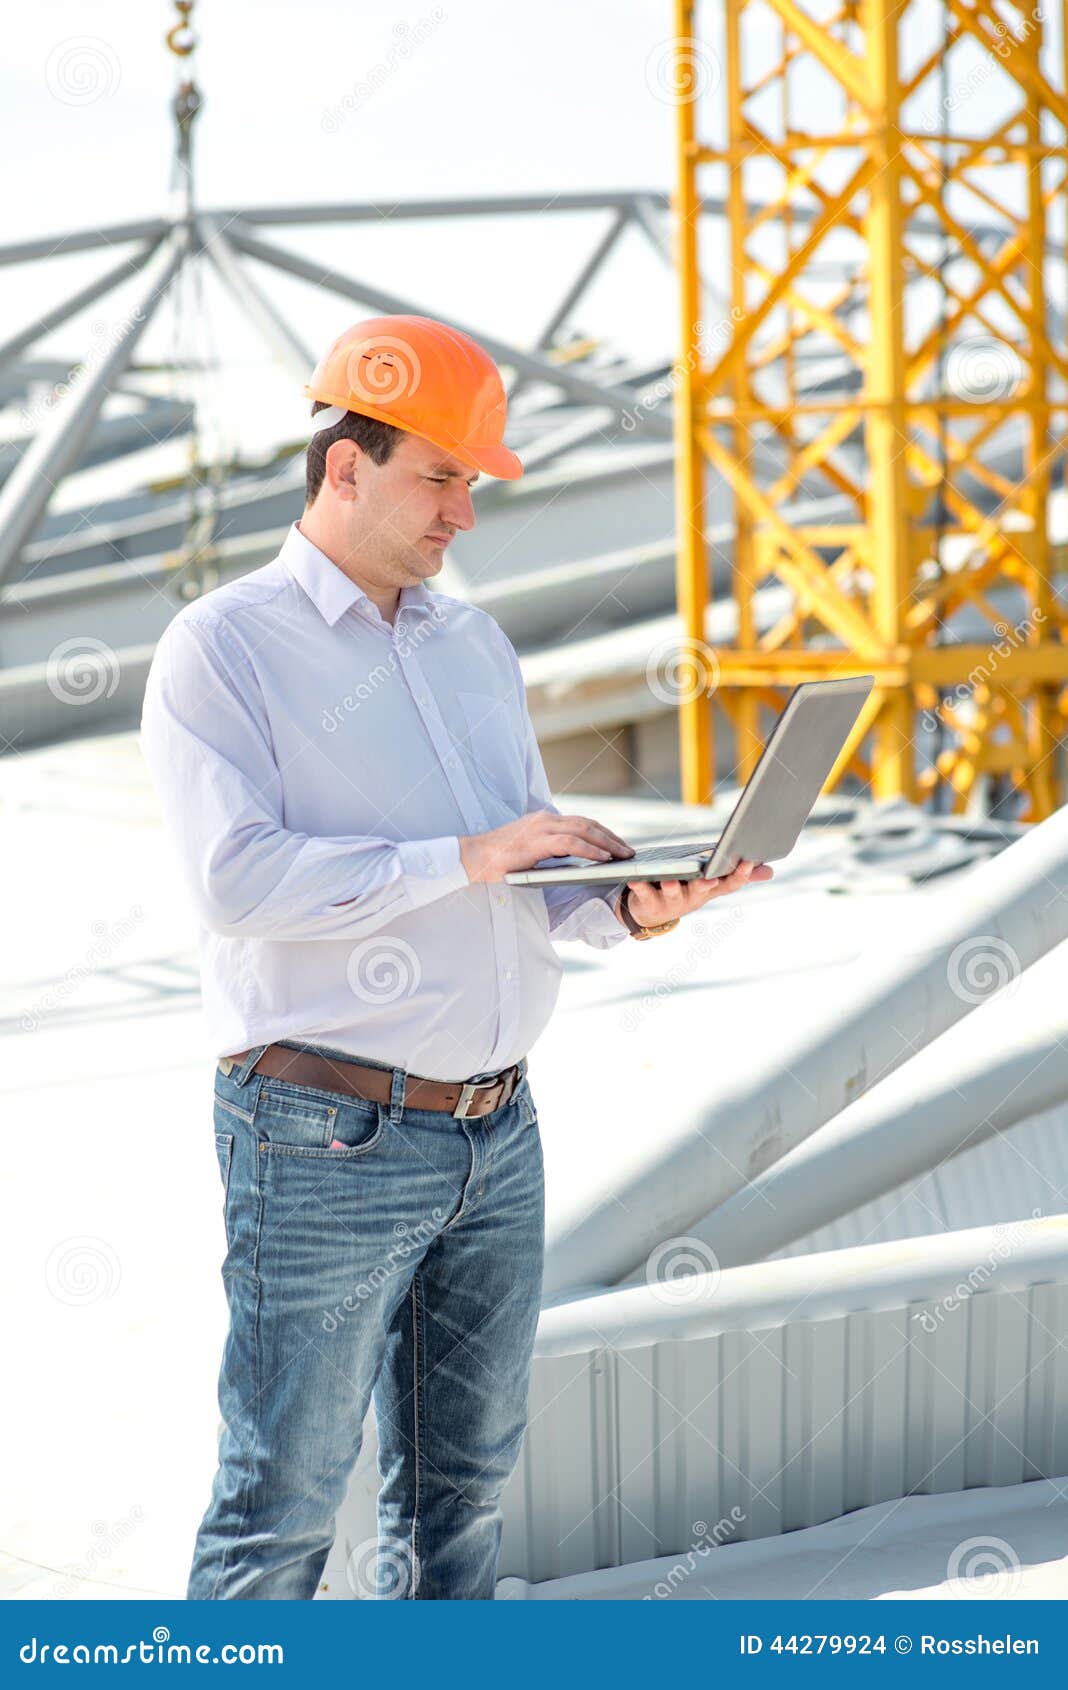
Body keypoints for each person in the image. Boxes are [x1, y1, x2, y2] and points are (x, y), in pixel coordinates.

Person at [139, 313, 771, 1601]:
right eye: (441, 477)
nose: (463, 515)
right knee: (279, 1510)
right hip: (323, 1139)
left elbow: (518, 879)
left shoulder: (472, 646)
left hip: (499, 1132)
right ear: (345, 465)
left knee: (461, 1505)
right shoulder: (223, 645)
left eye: (472, 483)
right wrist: (466, 855)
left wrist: (630, 906)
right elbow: (236, 880)